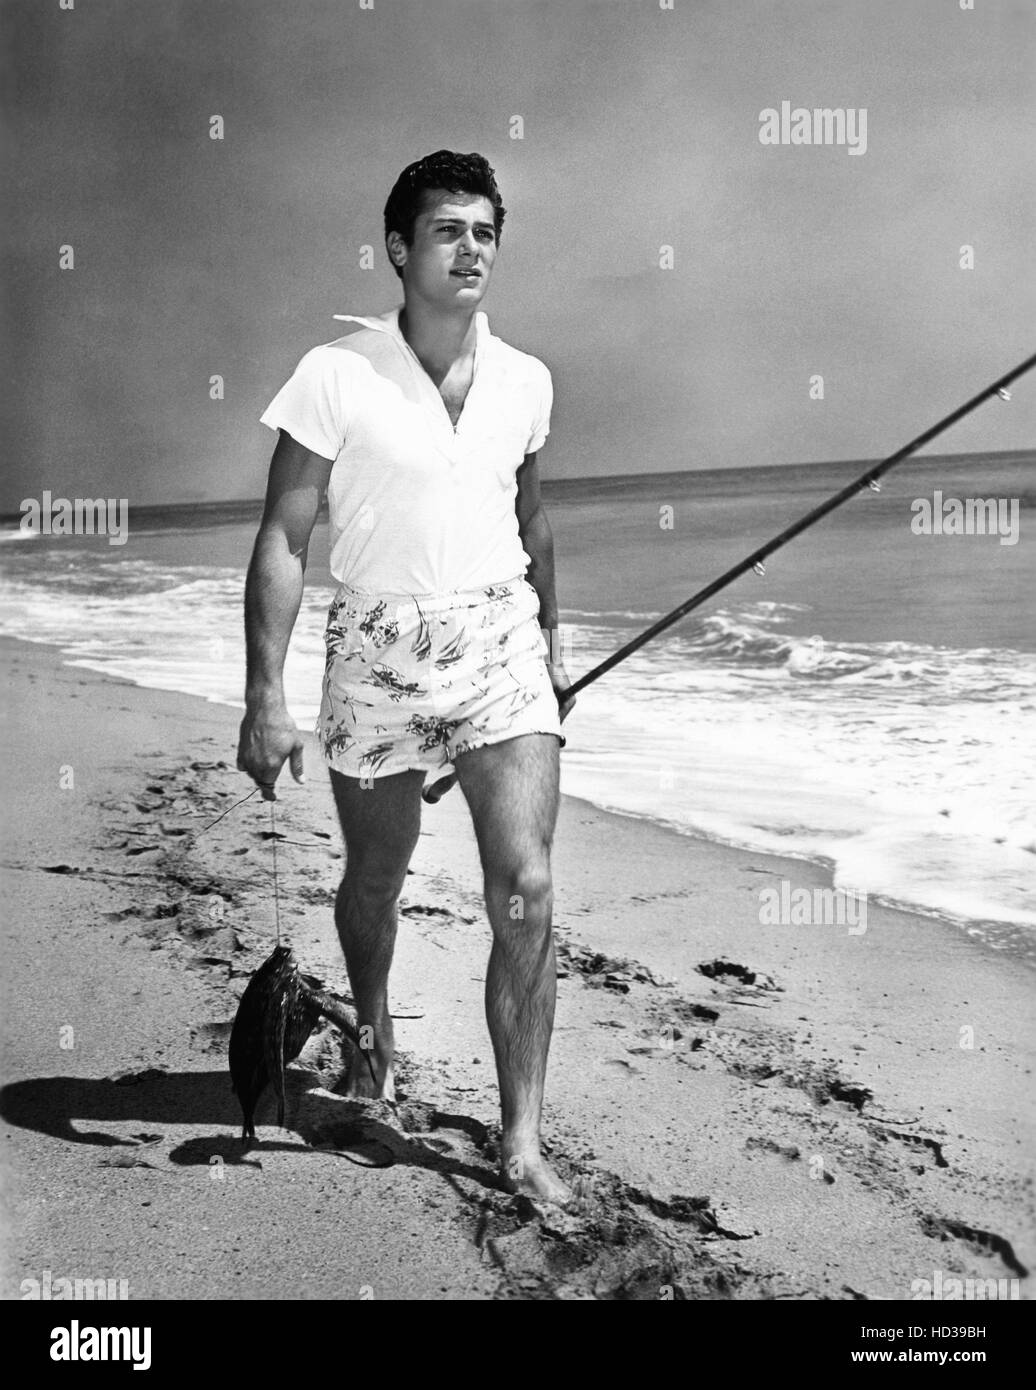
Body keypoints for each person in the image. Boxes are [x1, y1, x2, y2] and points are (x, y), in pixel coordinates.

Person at [236, 150, 575, 1204]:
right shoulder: (334, 373)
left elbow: (532, 523)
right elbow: (286, 538)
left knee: (522, 886)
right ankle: (373, 1037)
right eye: (447, 230)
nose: (471, 247)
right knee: (376, 879)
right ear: (397, 249)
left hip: (498, 645)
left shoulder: (527, 380)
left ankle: (519, 1135)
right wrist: (266, 696)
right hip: (376, 650)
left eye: (484, 230)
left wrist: (552, 657)